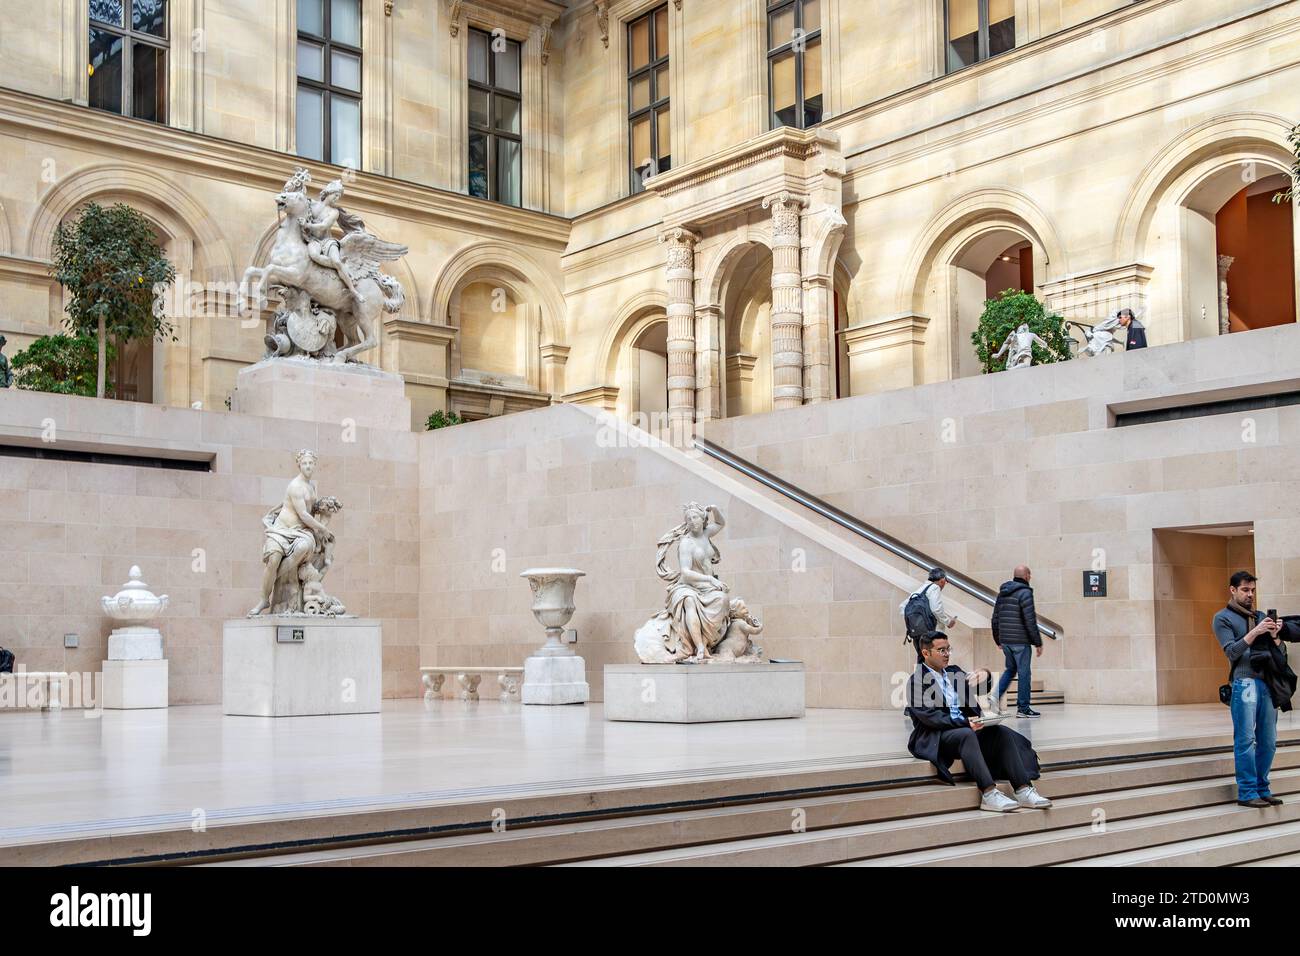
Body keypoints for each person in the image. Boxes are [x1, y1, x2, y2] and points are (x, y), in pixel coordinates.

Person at [905, 631, 1052, 812]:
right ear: (925, 653)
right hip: (937, 735)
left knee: (1001, 732)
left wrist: (986, 674)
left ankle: (1023, 790)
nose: (946, 654)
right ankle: (989, 793)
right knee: (966, 734)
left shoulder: (954, 672)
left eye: (948, 649)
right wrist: (965, 722)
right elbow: (930, 717)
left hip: (967, 726)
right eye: (941, 650)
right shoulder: (916, 681)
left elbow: (983, 686)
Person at [1212, 571, 1300, 808]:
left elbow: (1280, 654)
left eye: (1252, 590)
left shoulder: (1260, 616)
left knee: (1269, 741)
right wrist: (1256, 632)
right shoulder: (1222, 618)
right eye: (1245, 590)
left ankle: (1263, 788)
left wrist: (1275, 637)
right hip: (1244, 684)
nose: (1250, 594)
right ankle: (1248, 791)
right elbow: (1232, 652)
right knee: (1245, 739)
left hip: (1267, 683)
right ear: (1233, 590)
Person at [991, 564, 1042, 718]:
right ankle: (1023, 708)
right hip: (1020, 641)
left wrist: (997, 639)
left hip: (1006, 640)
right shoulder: (1025, 592)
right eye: (1029, 574)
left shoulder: (1003, 593)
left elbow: (995, 617)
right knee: (1024, 673)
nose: (1030, 577)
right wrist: (1038, 642)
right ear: (1026, 576)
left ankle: (993, 697)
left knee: (1011, 670)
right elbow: (1030, 620)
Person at [900, 567, 957, 663]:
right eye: (946, 582)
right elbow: (936, 609)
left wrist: (916, 624)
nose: (944, 584)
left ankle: (919, 677)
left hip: (916, 633)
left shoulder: (918, 591)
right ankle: (928, 678)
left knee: (922, 659)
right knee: (934, 661)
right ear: (942, 580)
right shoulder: (935, 588)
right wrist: (948, 622)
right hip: (931, 632)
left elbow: (902, 607)